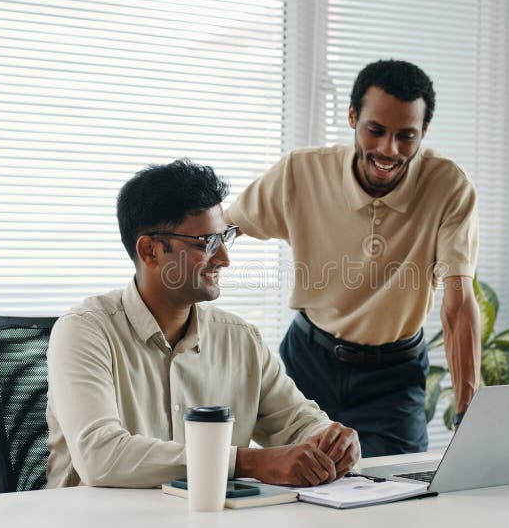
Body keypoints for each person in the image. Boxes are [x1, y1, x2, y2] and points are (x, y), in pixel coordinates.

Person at [46, 159, 360, 488]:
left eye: (225, 237)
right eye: (206, 243)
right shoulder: (83, 332)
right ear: (150, 250)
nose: (224, 258)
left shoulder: (241, 340)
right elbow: (101, 457)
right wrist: (248, 461)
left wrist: (332, 443)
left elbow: (298, 423)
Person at [225, 59, 481, 457]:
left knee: (398, 495)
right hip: (311, 360)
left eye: (406, 136)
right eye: (375, 131)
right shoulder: (301, 172)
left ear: (424, 132)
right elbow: (226, 226)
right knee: (299, 490)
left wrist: (468, 408)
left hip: (393, 376)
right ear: (351, 118)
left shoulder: (448, 186)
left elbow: (459, 303)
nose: (388, 150)